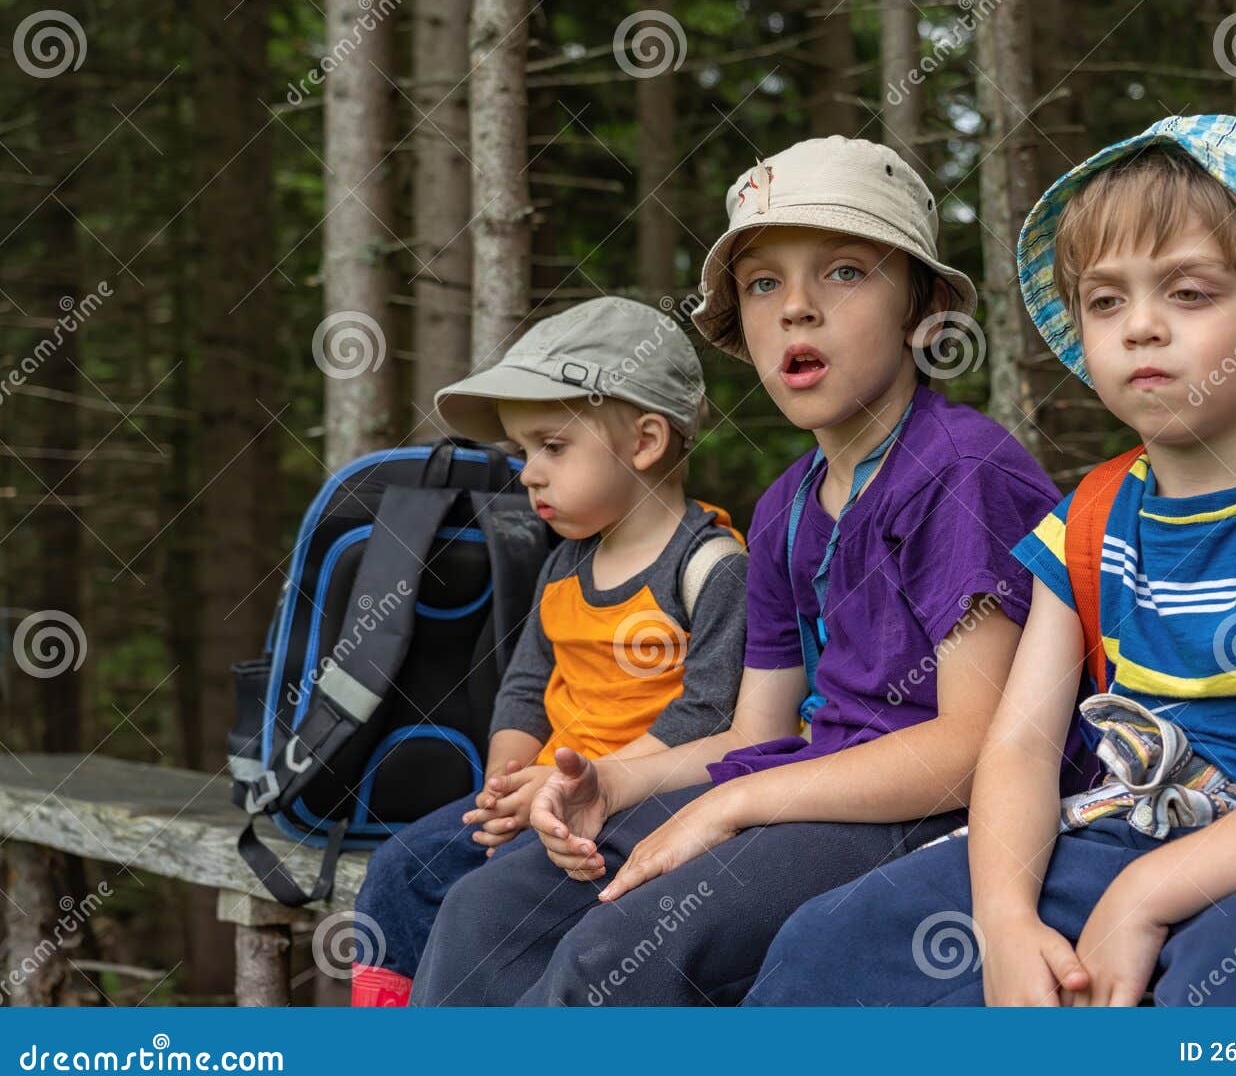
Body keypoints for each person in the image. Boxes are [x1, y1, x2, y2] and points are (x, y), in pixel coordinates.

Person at [745, 114, 1236, 1007]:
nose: (1139, 328)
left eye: (1189, 293)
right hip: (1117, 828)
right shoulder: (1089, 519)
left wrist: (1145, 894)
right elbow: (1018, 743)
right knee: (827, 946)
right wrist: (1006, 915)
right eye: (1105, 301)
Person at [408, 135, 1059, 1006]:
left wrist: (732, 805)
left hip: (933, 819)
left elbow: (972, 748)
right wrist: (619, 779)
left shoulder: (964, 470)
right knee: (490, 911)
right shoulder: (786, 506)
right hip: (806, 787)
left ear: (925, 307)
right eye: (763, 283)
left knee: (616, 955)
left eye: (844, 272)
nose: (796, 308)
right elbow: (754, 732)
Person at [350, 297, 746, 1006]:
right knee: (400, 870)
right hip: (544, 794)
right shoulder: (565, 563)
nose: (529, 472)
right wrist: (508, 774)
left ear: (646, 440)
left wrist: (584, 784)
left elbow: (711, 716)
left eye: (552, 447)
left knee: (489, 908)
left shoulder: (711, 566)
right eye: (523, 452)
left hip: (638, 809)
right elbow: (528, 681)